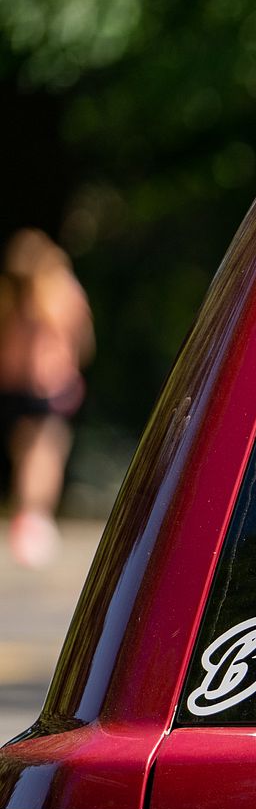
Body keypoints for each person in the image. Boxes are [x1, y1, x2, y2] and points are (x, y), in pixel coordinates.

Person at [0, 230, 93, 568]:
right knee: (46, 450)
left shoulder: (13, 293)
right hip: (51, 382)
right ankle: (34, 515)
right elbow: (80, 335)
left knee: (27, 449)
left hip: (16, 381)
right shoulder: (60, 291)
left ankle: (27, 514)